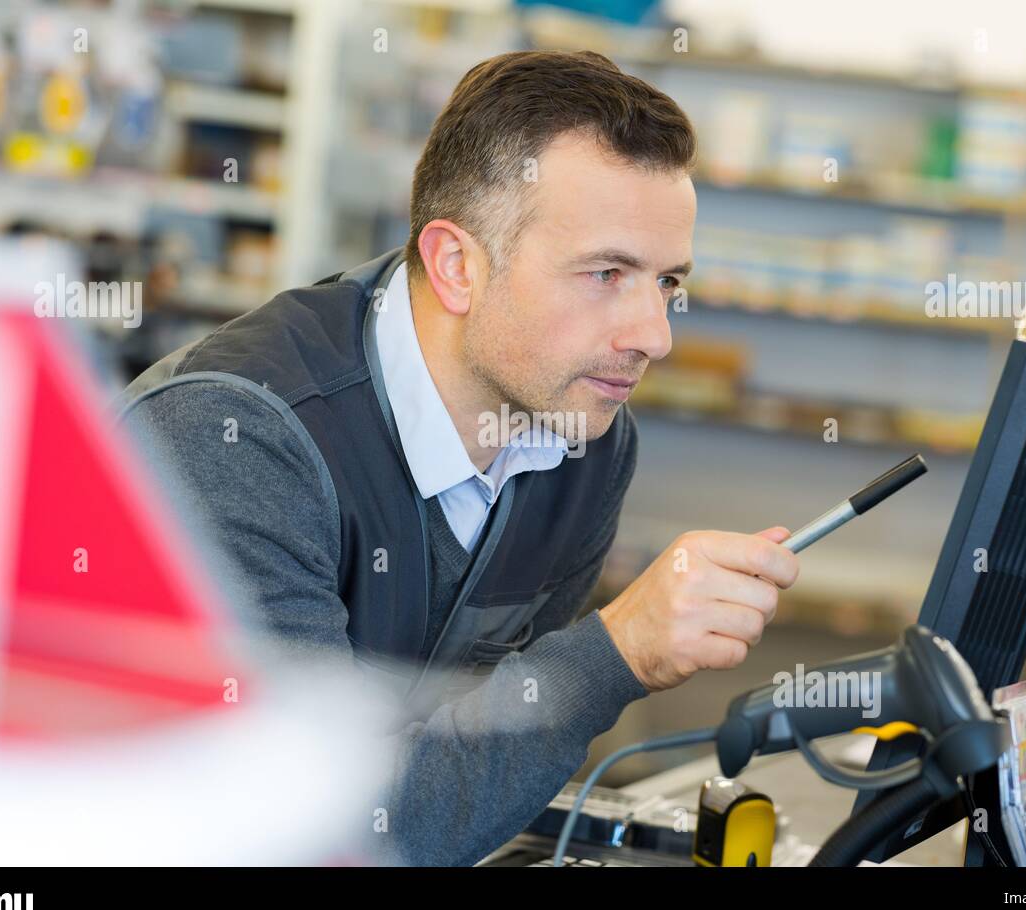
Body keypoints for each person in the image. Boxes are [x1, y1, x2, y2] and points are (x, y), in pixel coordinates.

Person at [119, 49, 800, 865]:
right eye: (607, 273)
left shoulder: (582, 437)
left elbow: (480, 749)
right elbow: (323, 836)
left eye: (668, 283)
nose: (654, 335)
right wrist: (614, 653)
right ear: (456, 266)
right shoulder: (237, 442)